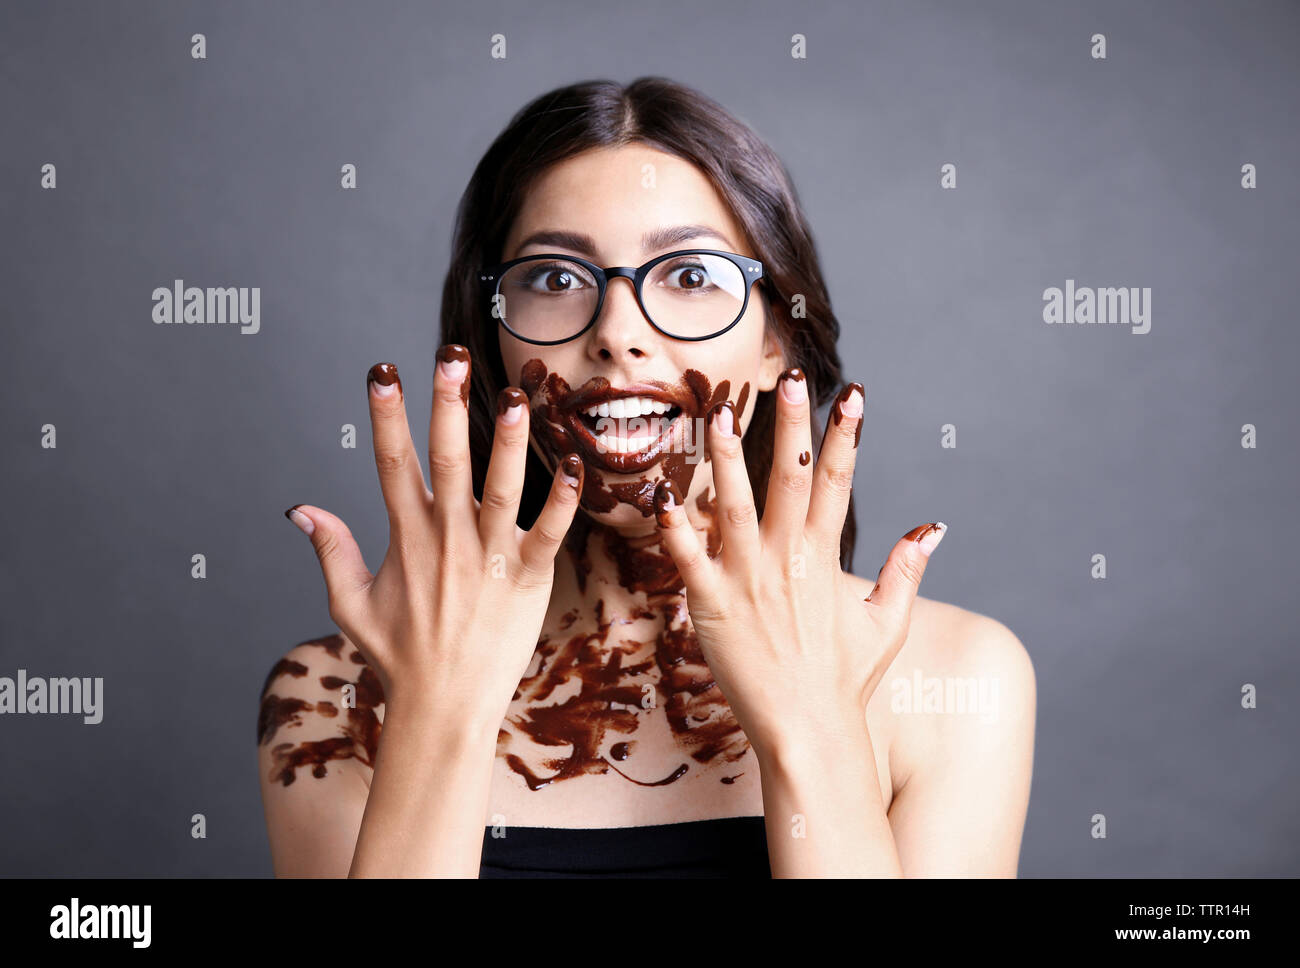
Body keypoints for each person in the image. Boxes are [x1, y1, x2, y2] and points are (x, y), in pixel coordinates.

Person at [257, 76, 1036, 877]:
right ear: (492, 342)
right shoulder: (332, 701)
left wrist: (809, 725)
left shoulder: (953, 679)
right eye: (556, 279)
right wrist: (439, 710)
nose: (618, 334)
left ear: (777, 342)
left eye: (692, 276)